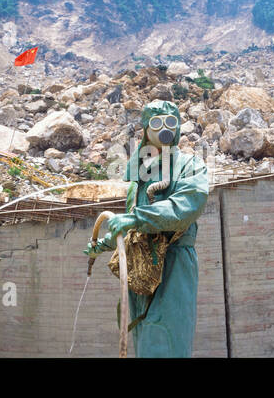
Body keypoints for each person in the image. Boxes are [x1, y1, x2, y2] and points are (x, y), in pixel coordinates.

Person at [84, 100, 209, 357]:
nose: (165, 128)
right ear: (146, 130)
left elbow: (186, 205)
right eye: (156, 122)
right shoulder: (141, 176)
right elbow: (130, 225)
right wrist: (105, 243)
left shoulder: (190, 166)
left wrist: (136, 219)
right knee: (142, 336)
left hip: (173, 266)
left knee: (166, 336)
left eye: (170, 122)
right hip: (140, 269)